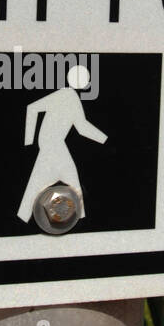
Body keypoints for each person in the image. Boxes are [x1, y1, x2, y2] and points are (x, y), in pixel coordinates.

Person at [17, 65, 107, 224]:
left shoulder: (69, 96)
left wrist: (104, 139)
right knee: (70, 178)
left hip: (51, 143)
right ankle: (80, 218)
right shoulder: (67, 94)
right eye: (86, 78)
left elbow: (81, 127)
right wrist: (28, 142)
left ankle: (23, 217)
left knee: (39, 182)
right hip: (53, 143)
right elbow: (32, 108)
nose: (88, 81)